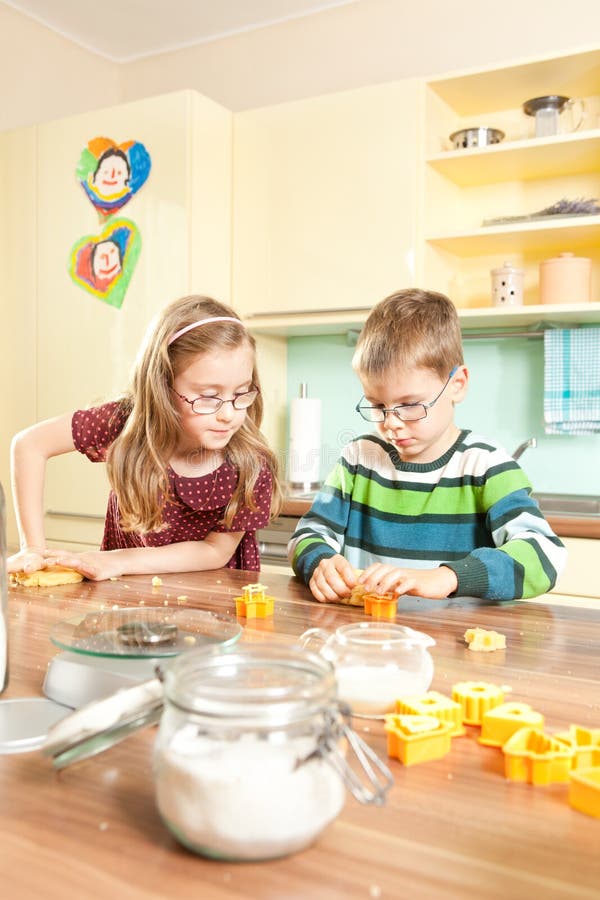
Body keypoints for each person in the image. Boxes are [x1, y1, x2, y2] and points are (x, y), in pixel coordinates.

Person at [288, 288, 566, 604]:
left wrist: (448, 577)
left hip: (456, 643)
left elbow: (546, 555)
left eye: (410, 405)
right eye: (377, 405)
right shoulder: (358, 458)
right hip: (371, 636)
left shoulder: (486, 466)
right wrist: (320, 562)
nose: (391, 422)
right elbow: (306, 535)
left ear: (457, 385)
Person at [8, 295, 282, 581]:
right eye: (210, 397)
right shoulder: (125, 422)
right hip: (129, 598)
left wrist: (118, 561)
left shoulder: (252, 463)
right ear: (162, 385)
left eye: (241, 393)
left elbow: (215, 551)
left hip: (213, 602)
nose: (229, 414)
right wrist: (33, 548)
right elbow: (30, 445)